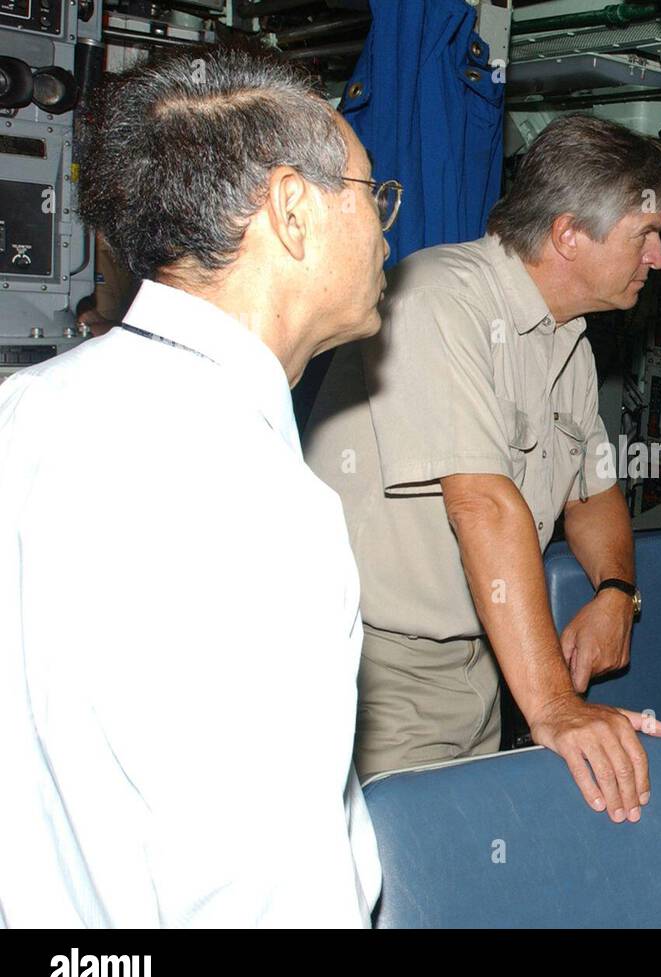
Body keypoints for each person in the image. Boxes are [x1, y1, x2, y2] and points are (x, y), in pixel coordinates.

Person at [0, 43, 394, 927]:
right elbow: (266, 891)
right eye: (373, 196)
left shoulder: (25, 407)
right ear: (294, 210)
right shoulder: (265, 509)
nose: (385, 230)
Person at [304, 114, 661, 822]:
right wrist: (558, 708)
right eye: (644, 236)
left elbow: (593, 494)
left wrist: (615, 590)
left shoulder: (568, 336)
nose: (658, 258)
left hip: (477, 662)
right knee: (413, 877)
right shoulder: (439, 298)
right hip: (380, 667)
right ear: (570, 234)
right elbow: (482, 504)